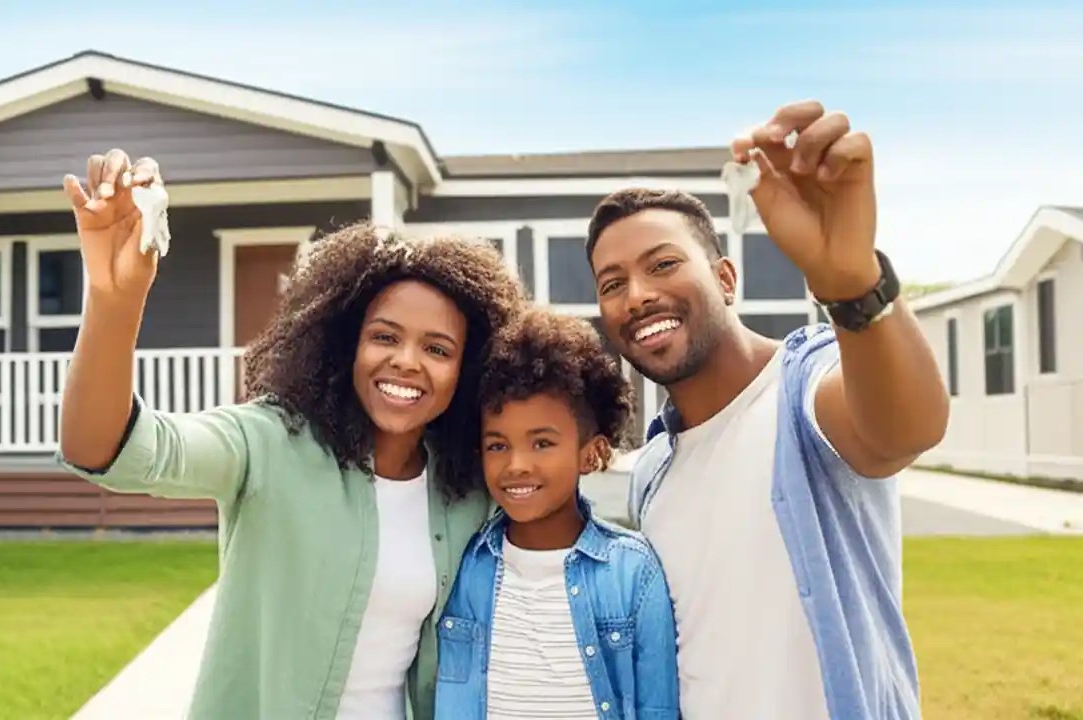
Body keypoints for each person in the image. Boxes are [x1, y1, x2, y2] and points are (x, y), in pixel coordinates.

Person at [55, 149, 526, 720]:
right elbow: (110, 449)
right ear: (345, 344)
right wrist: (114, 300)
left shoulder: (466, 491)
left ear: (467, 369)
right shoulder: (271, 442)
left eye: (437, 349)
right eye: (384, 337)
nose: (406, 362)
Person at [587, 101, 949, 720]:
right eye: (612, 283)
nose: (638, 295)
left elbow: (903, 430)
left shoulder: (805, 385)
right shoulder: (653, 471)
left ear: (725, 278)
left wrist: (853, 285)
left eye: (663, 264)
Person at [434, 308, 679, 720]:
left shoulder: (633, 573)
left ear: (592, 453)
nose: (516, 465)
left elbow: (658, 706)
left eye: (542, 444)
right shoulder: (464, 564)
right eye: (498, 445)